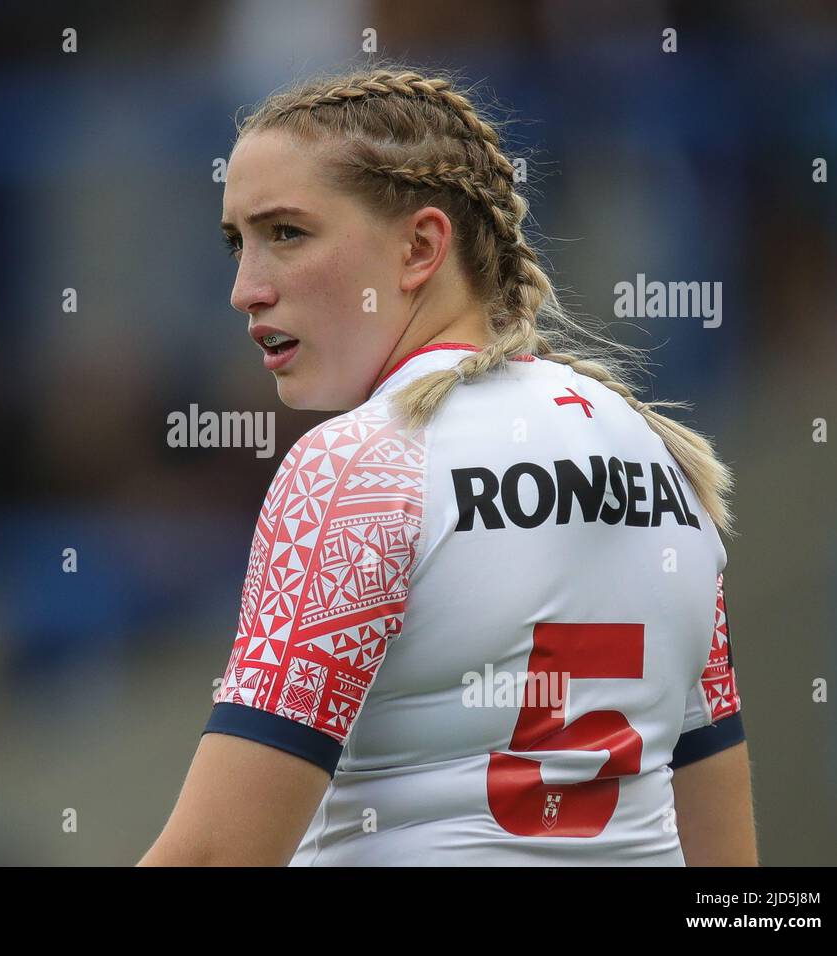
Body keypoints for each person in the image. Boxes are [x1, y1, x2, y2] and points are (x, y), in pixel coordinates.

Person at [138, 66, 755, 866]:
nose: (245, 290)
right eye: (237, 243)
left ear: (422, 247)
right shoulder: (664, 462)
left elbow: (216, 857)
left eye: (286, 233)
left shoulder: (361, 466)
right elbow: (736, 882)